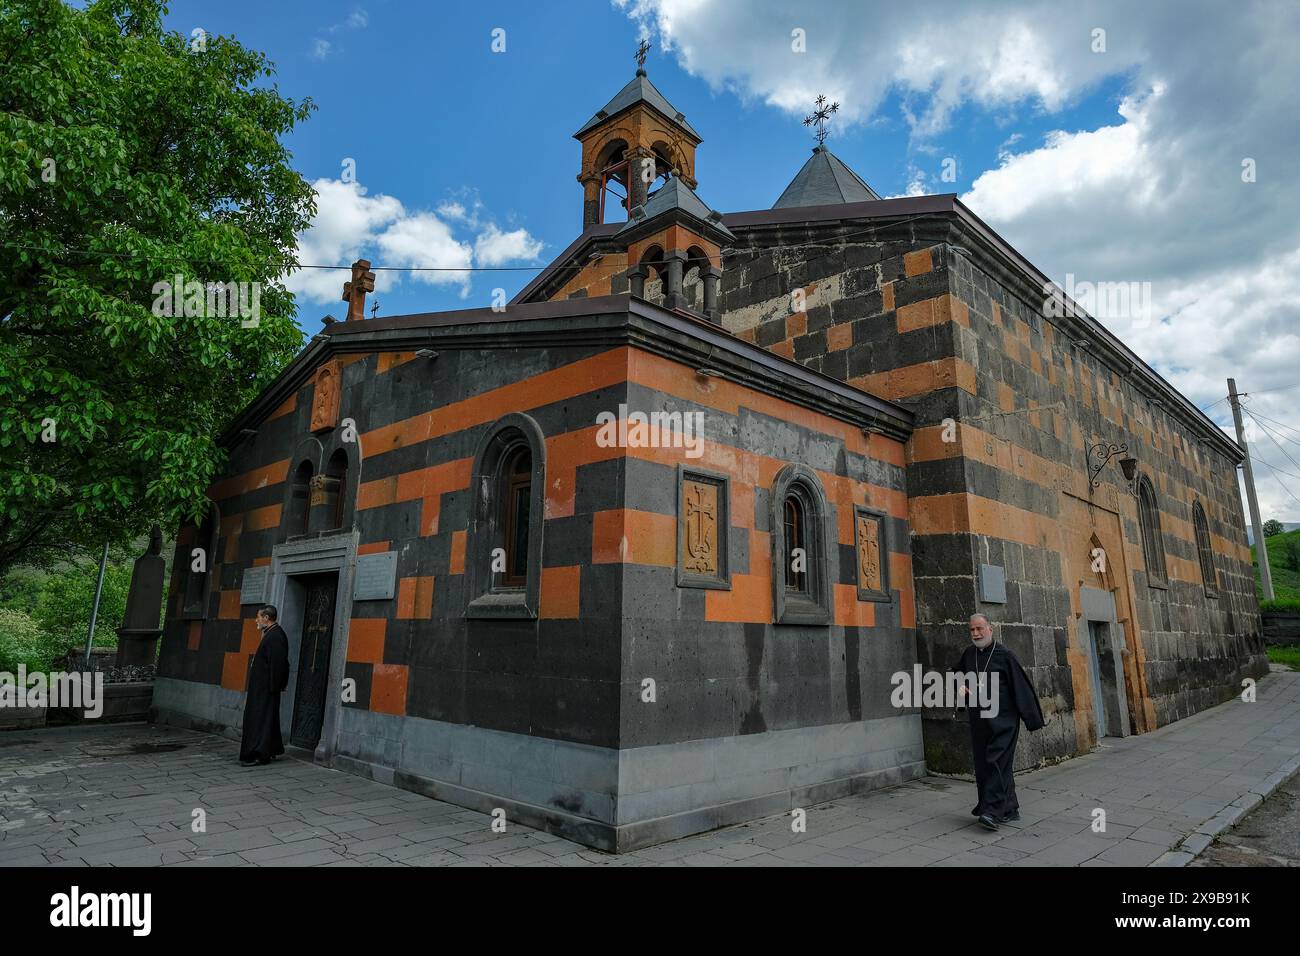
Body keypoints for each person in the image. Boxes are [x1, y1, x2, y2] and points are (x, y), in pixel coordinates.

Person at [954, 614, 1044, 831]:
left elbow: (1021, 688)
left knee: (996, 762)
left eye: (979, 629)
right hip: (980, 722)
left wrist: (1032, 719)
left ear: (990, 629)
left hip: (1004, 721)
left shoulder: (1005, 655)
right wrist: (960, 687)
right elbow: (957, 674)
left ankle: (991, 811)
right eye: (972, 630)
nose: (975, 634)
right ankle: (1010, 808)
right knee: (986, 764)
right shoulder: (969, 654)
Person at [238, 604, 290, 766]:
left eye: (258, 617)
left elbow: (279, 664)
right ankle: (268, 749)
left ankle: (260, 753)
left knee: (261, 719)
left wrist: (274, 687)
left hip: (266, 689)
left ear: (266, 618)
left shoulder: (275, 636)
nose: (256, 620)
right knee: (266, 719)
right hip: (264, 688)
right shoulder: (271, 633)